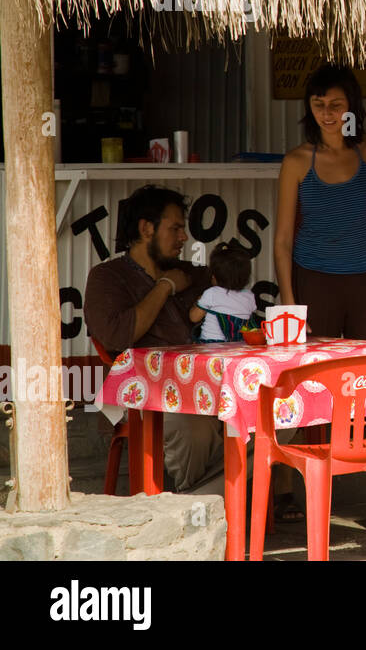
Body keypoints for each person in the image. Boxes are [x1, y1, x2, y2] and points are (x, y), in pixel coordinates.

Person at [84, 185, 225, 493]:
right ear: (146, 228)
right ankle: (212, 497)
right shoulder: (107, 277)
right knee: (194, 425)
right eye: (175, 228)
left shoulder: (192, 274)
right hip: (149, 392)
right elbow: (117, 336)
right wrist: (163, 287)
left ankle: (196, 499)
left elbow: (232, 299)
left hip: (212, 384)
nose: (184, 237)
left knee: (279, 421)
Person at [274, 64, 366, 340]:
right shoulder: (296, 161)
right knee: (313, 372)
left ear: (351, 105)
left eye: (336, 105)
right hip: (313, 278)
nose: (327, 114)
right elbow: (283, 239)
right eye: (318, 105)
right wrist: (288, 302)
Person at [190, 242, 256, 342]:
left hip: (211, 347)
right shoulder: (249, 296)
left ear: (214, 276)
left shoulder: (211, 294)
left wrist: (198, 301)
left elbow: (194, 317)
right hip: (237, 347)